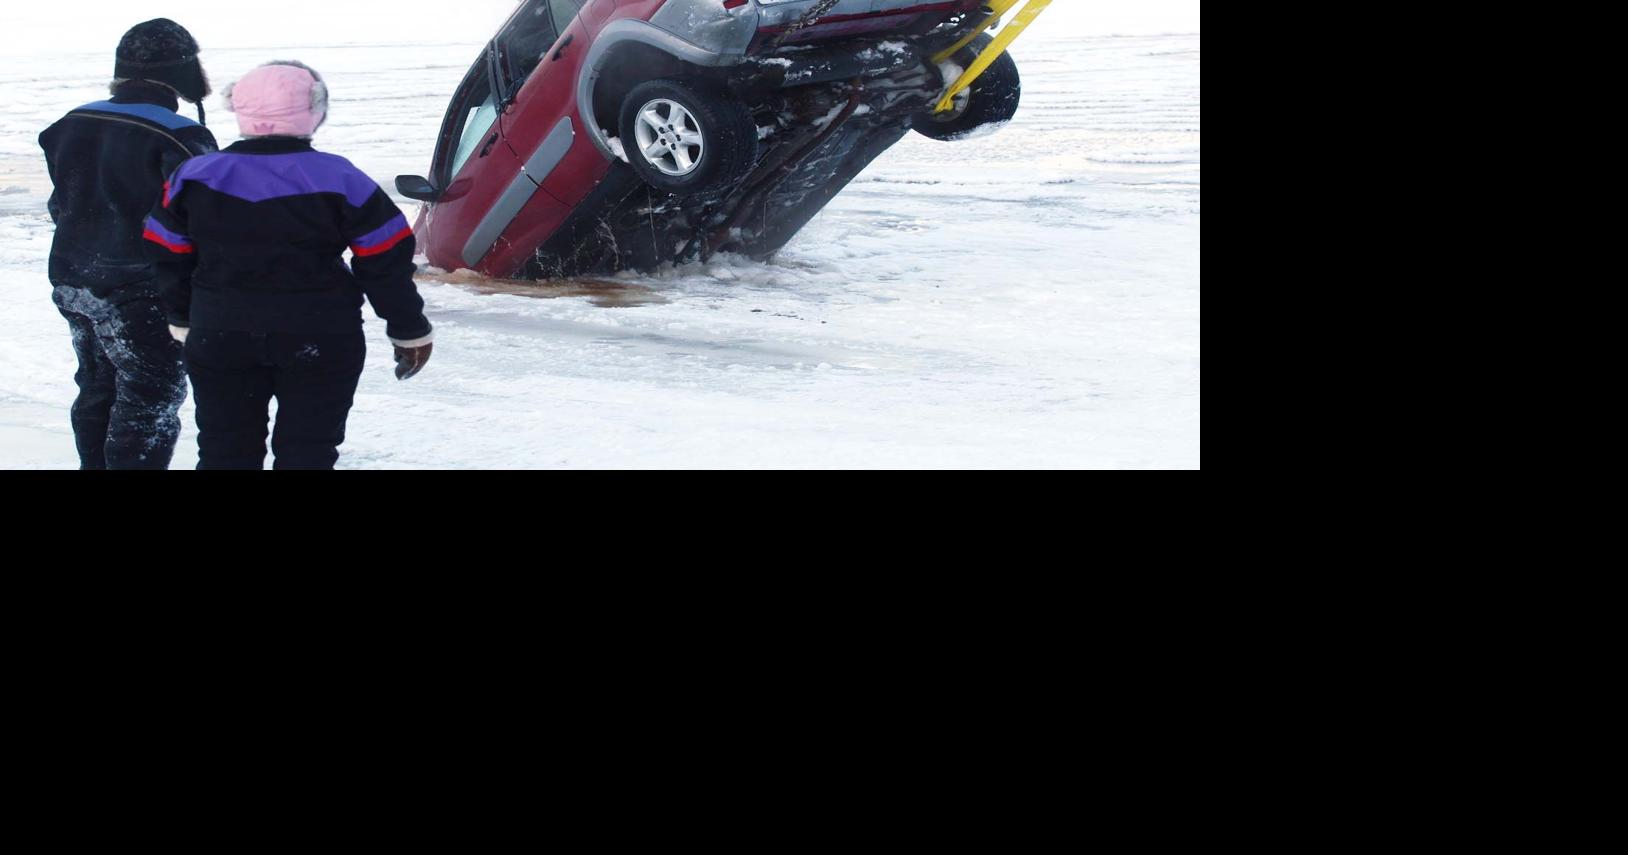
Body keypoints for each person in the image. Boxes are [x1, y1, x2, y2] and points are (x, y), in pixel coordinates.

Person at [144, 61, 435, 471]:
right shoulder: (341, 177)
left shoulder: (193, 177)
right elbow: (385, 260)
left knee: (224, 451)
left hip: (220, 332)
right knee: (309, 453)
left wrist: (181, 316)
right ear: (315, 110)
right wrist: (408, 330)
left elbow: (167, 251)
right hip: (320, 333)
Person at [40, 19, 217, 470]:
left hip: (73, 279)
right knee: (150, 396)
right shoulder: (181, 136)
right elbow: (208, 223)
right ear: (183, 74)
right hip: (141, 293)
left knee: (98, 385)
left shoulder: (69, 124)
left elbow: (61, 204)